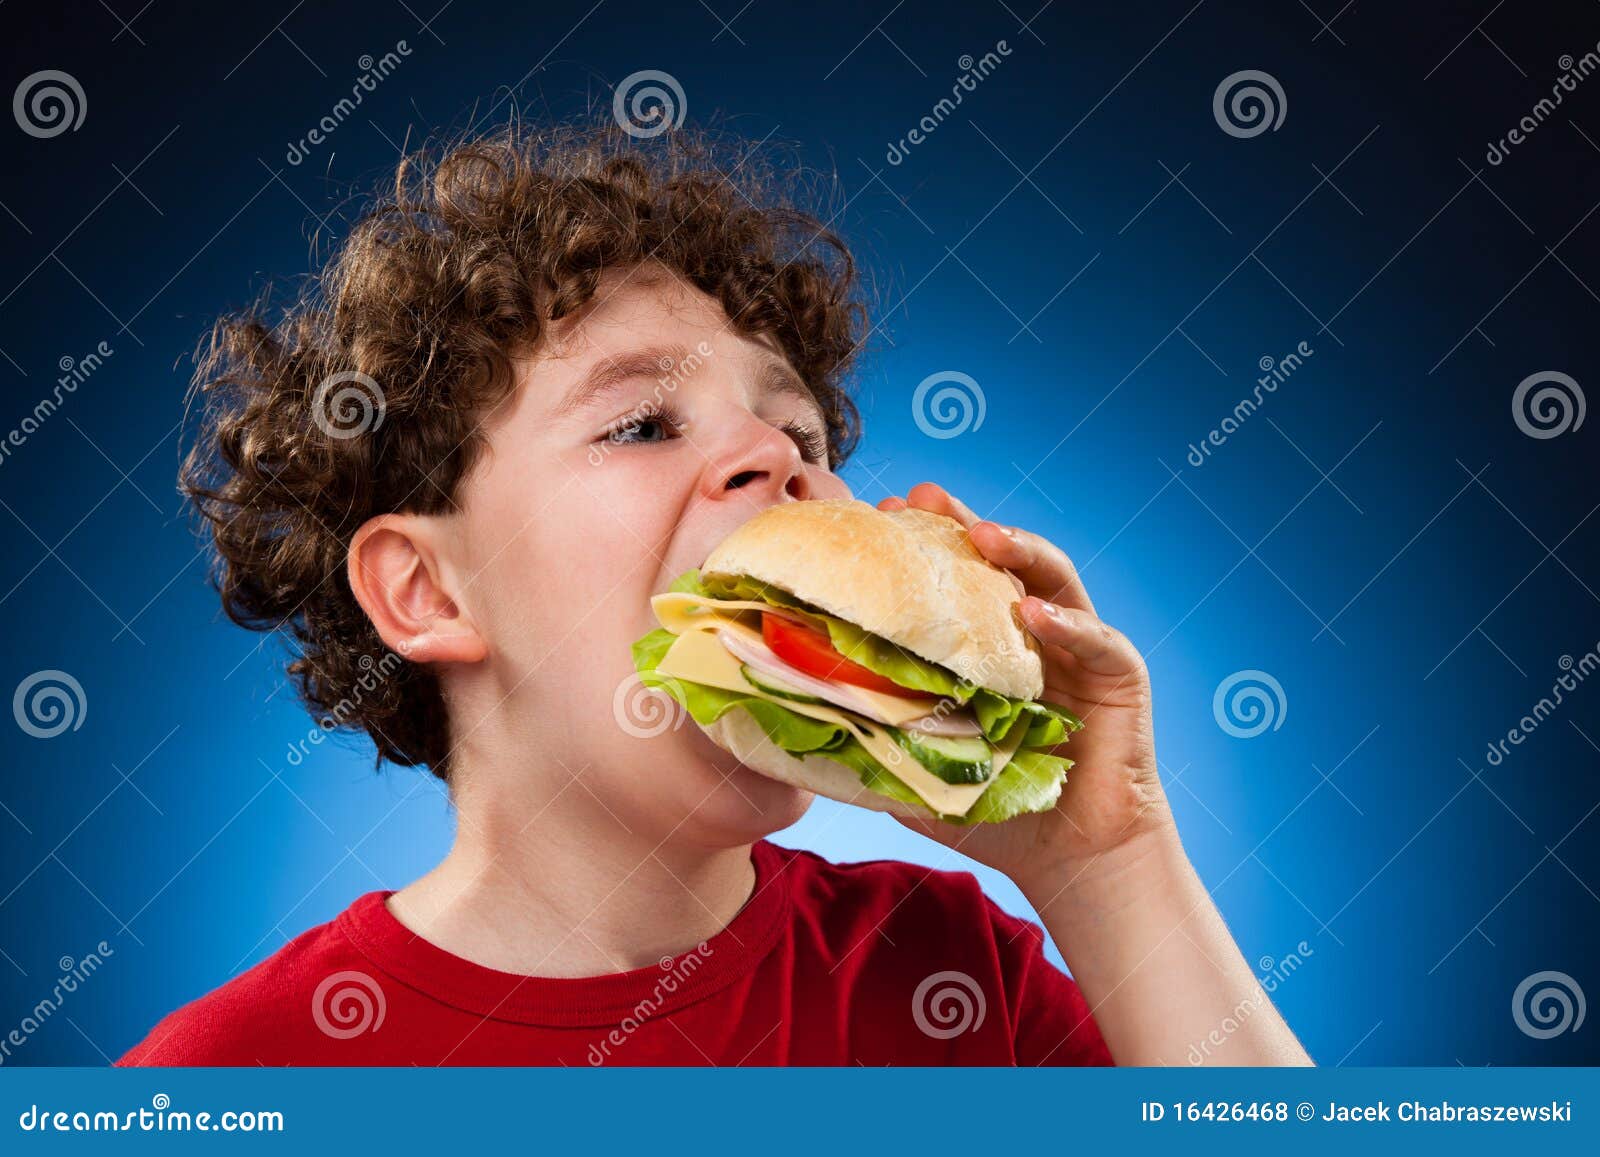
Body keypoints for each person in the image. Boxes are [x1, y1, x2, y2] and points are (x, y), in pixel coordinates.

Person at [118, 122, 1309, 1067]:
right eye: (641, 423)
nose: (773, 454)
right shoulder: (240, 1073)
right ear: (425, 589)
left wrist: (1107, 864)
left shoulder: (952, 973)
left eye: (794, 424)